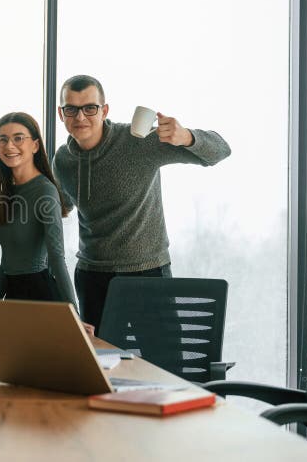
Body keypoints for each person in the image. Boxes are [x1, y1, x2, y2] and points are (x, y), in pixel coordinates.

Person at [52, 74, 231, 332]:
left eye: (90, 108)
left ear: (104, 111)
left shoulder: (138, 142)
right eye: (71, 109)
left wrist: (186, 136)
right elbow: (61, 206)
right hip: (92, 278)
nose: (80, 117)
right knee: (99, 367)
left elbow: (221, 150)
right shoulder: (63, 161)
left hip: (147, 273)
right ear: (61, 113)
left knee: (164, 364)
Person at [0, 112, 77, 307]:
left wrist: (74, 313)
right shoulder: (4, 194)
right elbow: (8, 259)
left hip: (40, 296)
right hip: (12, 297)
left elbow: (57, 258)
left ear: (35, 145)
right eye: (3, 139)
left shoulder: (45, 190)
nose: (9, 145)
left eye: (18, 138)